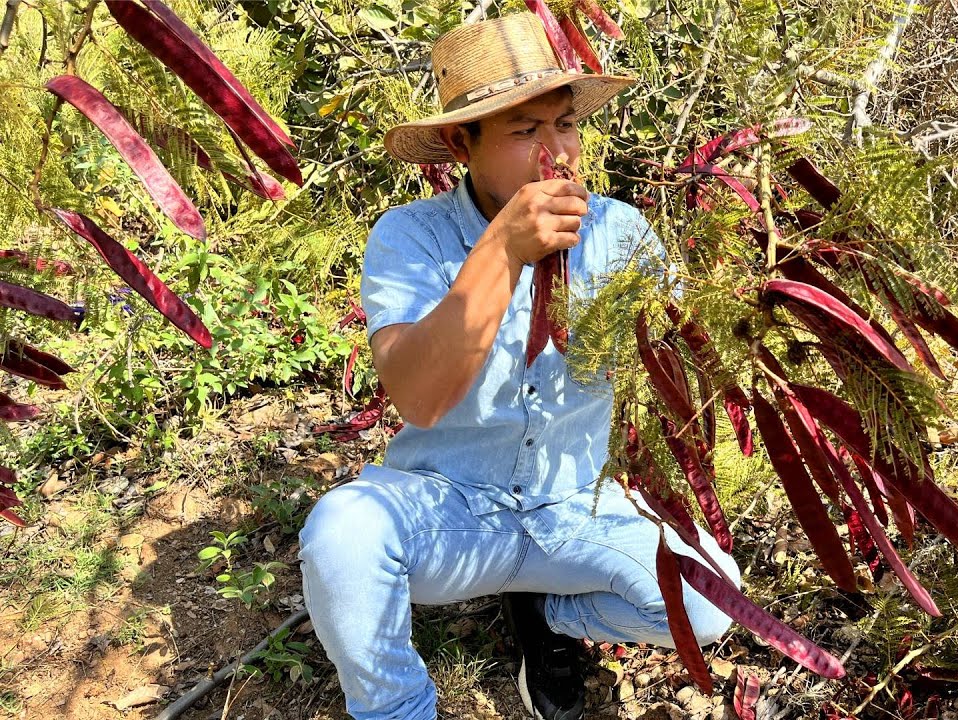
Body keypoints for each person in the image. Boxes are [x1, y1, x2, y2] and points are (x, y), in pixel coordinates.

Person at [299, 13, 742, 720]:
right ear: (458, 142)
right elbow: (416, 397)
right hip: (452, 509)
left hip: (574, 508)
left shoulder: (619, 232)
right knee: (341, 536)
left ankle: (549, 616)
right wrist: (502, 251)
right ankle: (397, 710)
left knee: (711, 602)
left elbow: (686, 357)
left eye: (564, 125)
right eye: (524, 131)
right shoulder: (411, 239)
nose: (557, 153)